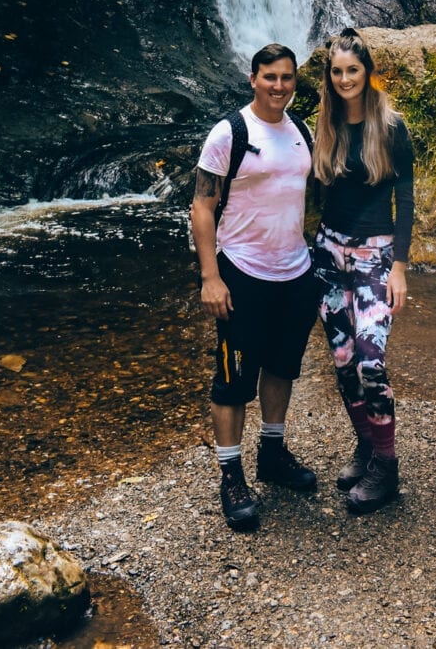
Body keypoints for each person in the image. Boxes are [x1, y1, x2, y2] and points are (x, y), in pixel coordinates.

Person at [191, 42, 318, 532]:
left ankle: (272, 453)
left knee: (282, 366)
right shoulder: (230, 132)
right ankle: (231, 475)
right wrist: (210, 276)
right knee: (233, 379)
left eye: (287, 78)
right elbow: (202, 206)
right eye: (270, 77)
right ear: (253, 78)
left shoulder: (301, 131)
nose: (279, 86)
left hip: (294, 271)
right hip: (241, 272)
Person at [312, 26, 414, 514]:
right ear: (329, 76)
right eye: (337, 71)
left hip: (375, 257)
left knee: (371, 361)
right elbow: (315, 193)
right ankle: (368, 447)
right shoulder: (325, 124)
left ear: (367, 72)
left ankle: (386, 469)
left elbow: (406, 198)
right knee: (344, 361)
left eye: (353, 70)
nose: (345, 78)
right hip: (330, 256)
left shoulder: (391, 126)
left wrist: (400, 266)